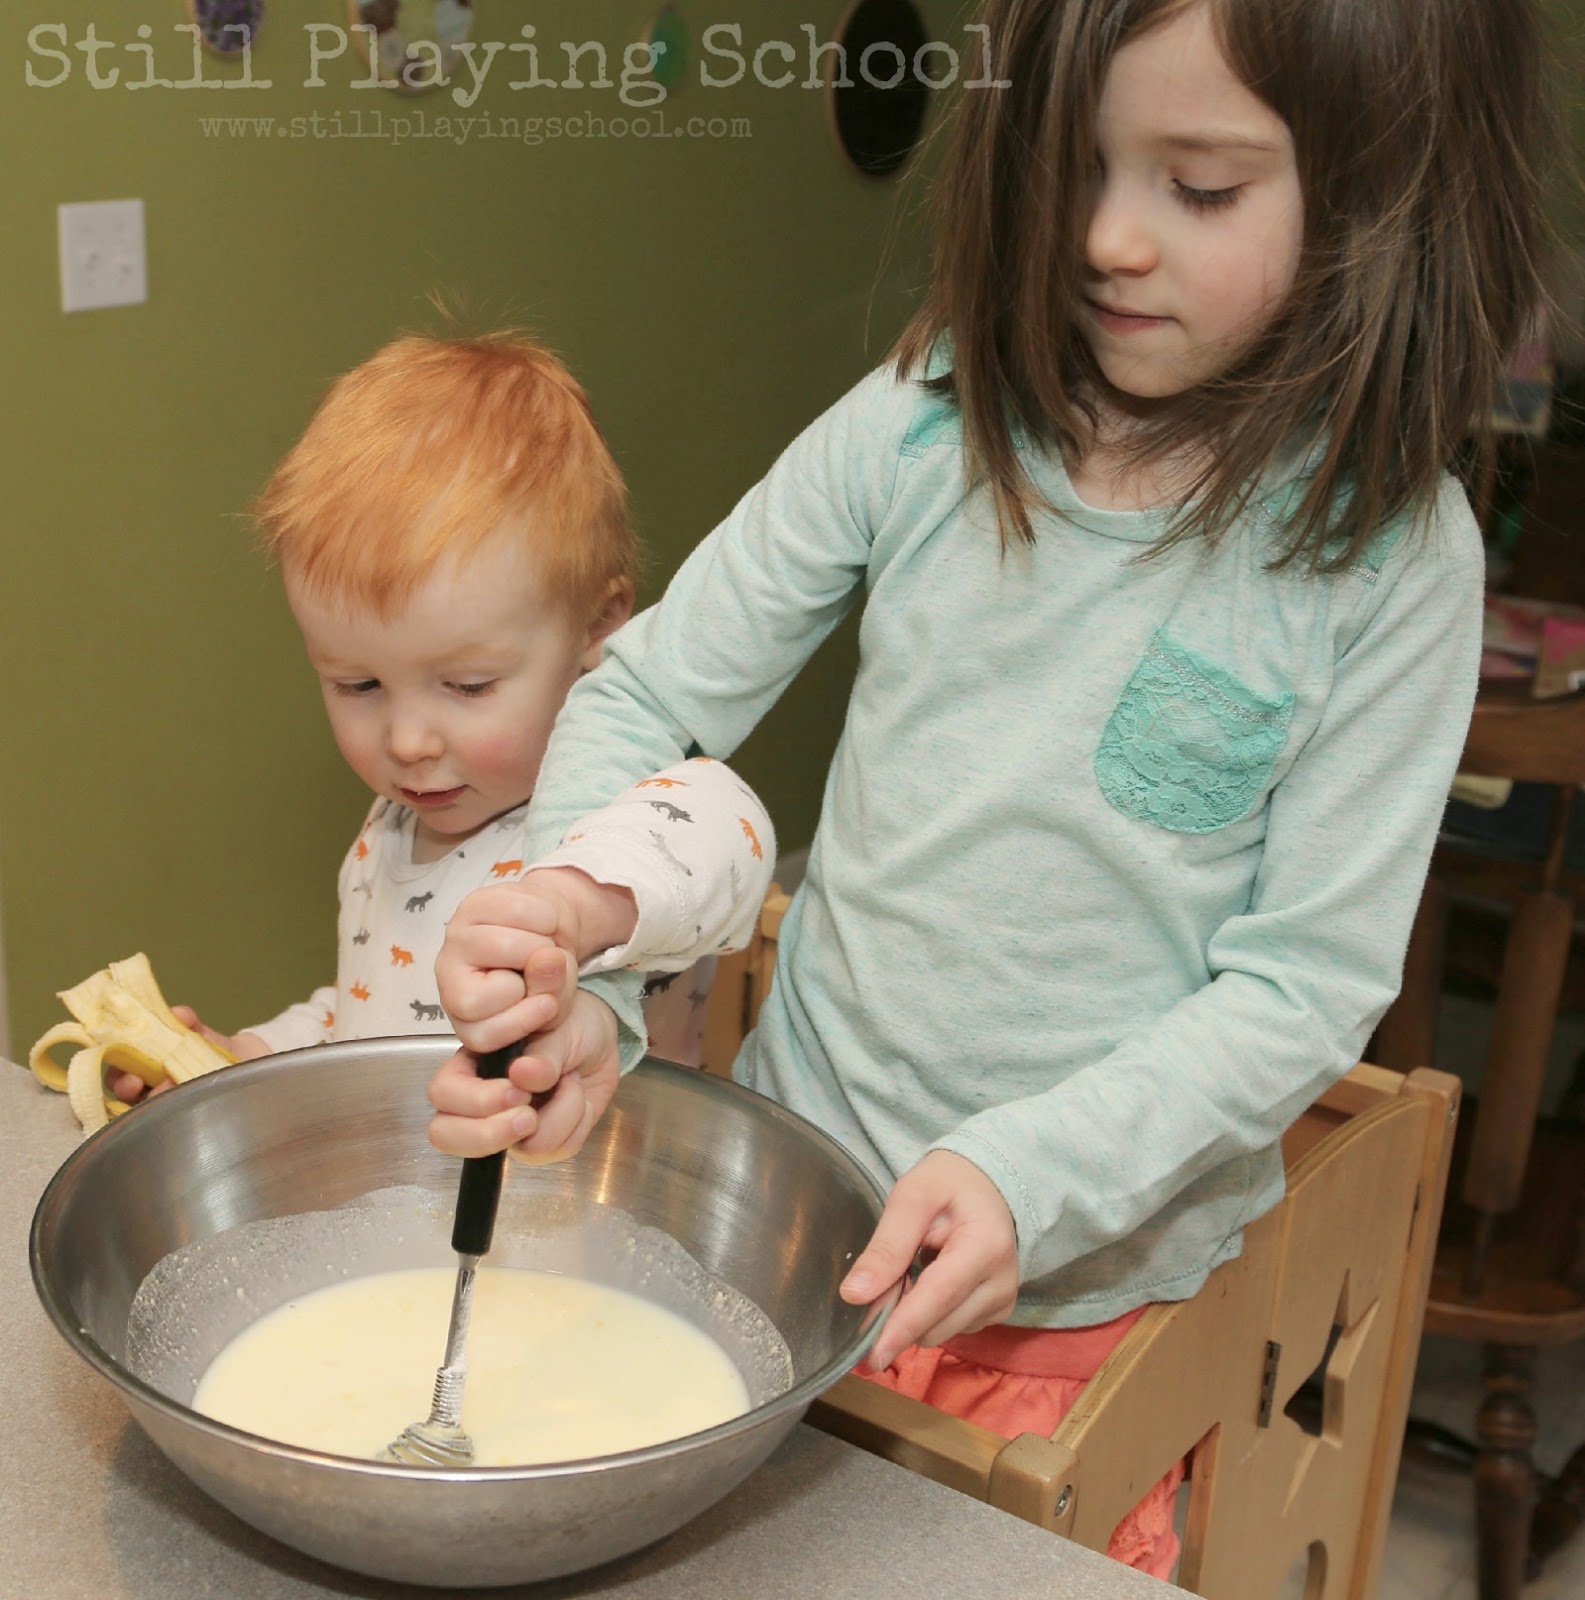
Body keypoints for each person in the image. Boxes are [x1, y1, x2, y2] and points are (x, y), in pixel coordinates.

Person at [423, 0, 1555, 1575]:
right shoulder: (921, 419)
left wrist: (1031, 1172)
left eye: (1201, 189)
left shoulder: (1390, 563)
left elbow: (1302, 987)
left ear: (1380, 200)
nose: (1104, 238)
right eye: (1072, 162)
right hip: (779, 1219)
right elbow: (649, 693)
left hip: (1083, 1322)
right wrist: (581, 963)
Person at [118, 332, 772, 1091]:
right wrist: (239, 1061)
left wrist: (571, 905)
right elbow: (370, 1016)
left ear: (599, 626)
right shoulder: (389, 832)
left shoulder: (617, 822)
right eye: (358, 686)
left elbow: (731, 833)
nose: (407, 741)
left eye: (466, 686)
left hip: (581, 1196)